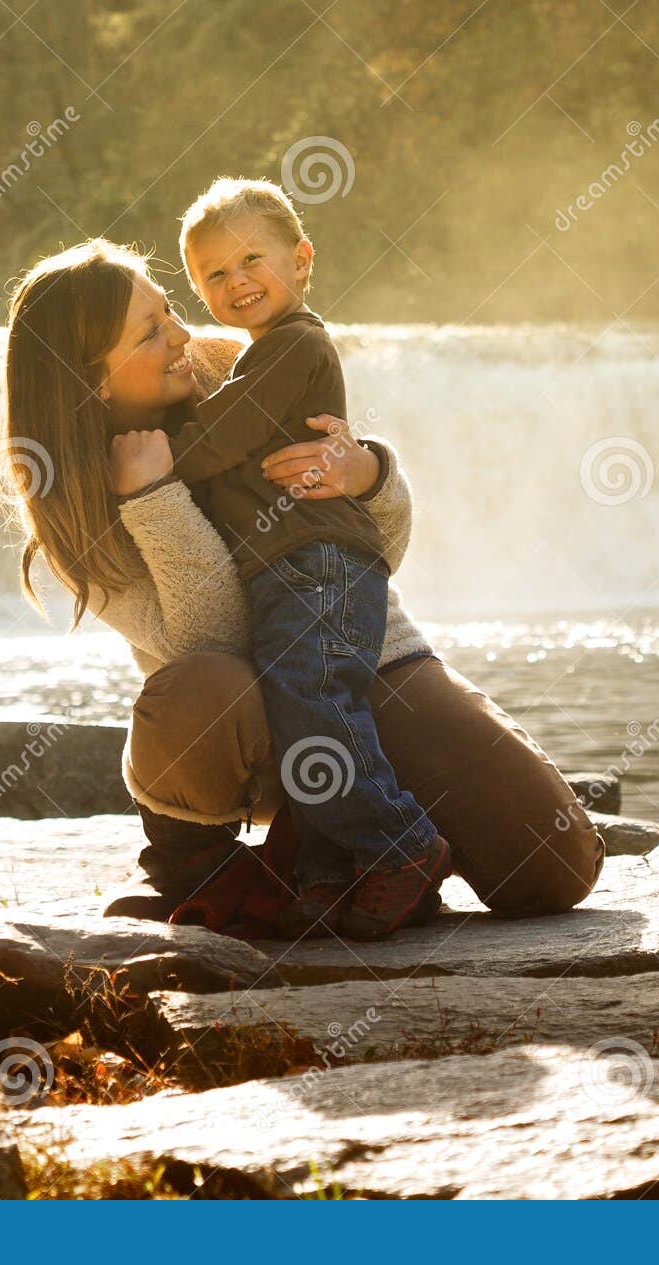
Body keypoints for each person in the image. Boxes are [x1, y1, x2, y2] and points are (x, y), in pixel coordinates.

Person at [0, 237, 604, 939]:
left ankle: (369, 843)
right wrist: (153, 497)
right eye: (151, 331)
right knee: (194, 688)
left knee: (555, 868)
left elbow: (377, 552)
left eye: (168, 311)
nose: (183, 334)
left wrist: (367, 475)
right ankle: (199, 863)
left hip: (367, 661)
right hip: (242, 724)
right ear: (92, 381)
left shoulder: (232, 370)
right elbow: (214, 638)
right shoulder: (74, 506)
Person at [166, 177, 446, 942]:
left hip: (319, 560)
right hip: (291, 569)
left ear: (303, 258)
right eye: (213, 275)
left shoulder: (294, 345)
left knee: (315, 703)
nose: (237, 281)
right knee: (301, 717)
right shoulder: (265, 352)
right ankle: (332, 872)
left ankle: (402, 846)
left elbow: (228, 432)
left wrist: (157, 456)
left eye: (252, 258)